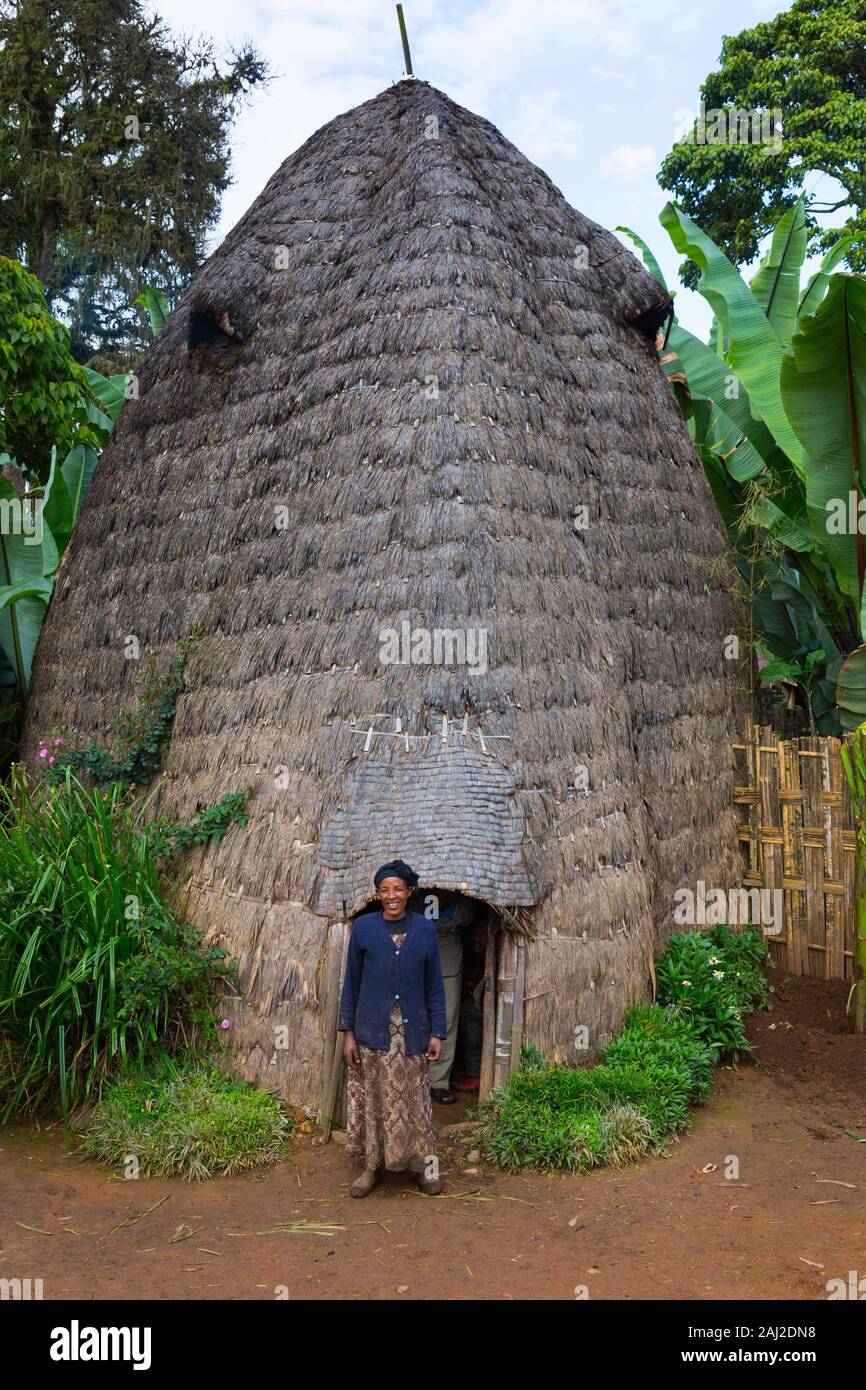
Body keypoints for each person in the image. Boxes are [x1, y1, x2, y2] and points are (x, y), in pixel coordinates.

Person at [338, 859, 447, 1199]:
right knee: (375, 1102)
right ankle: (373, 1168)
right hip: (373, 1033)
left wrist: (436, 1032)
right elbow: (351, 984)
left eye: (398, 889)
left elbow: (435, 986)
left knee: (416, 1103)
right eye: (384, 890)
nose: (391, 896)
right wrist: (349, 1034)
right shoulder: (365, 929)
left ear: (410, 891)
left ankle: (425, 1169)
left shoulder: (425, 930)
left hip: (412, 1034)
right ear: (378, 895)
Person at [425, 890, 476, 1104]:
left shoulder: (458, 881)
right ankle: (410, 1079)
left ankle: (437, 1081)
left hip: (446, 957)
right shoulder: (407, 882)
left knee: (445, 1020)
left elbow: (468, 914)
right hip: (410, 951)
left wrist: (450, 905)